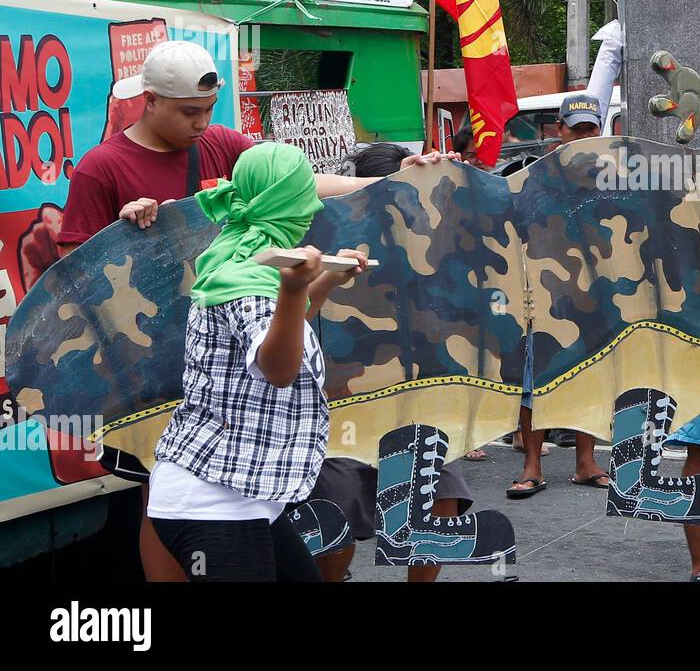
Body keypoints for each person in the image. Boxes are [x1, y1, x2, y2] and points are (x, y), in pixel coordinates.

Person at [54, 39, 454, 582]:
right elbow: (73, 272)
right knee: (160, 473)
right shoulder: (107, 169)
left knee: (182, 463)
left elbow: (291, 182)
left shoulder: (224, 159)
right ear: (150, 101)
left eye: (208, 111)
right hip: (151, 357)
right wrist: (123, 232)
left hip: (230, 402)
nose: (202, 124)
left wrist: (392, 178)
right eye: (188, 112)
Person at [147, 143, 368, 581]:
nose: (313, 210)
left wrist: (322, 282)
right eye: (306, 199)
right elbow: (278, 369)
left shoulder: (238, 257)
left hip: (237, 495)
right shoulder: (249, 277)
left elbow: (279, 333)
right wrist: (292, 289)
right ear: (286, 204)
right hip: (213, 501)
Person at [307, 142, 477, 582]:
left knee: (440, 489)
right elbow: (306, 186)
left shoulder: (429, 233)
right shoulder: (324, 229)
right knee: (333, 505)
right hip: (337, 404)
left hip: (411, 396)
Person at [507, 94, 613, 498]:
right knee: (535, 379)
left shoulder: (617, 175)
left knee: (590, 376)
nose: (584, 136)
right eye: (577, 128)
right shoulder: (535, 175)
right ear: (560, 131)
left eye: (591, 128)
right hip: (544, 291)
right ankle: (532, 466)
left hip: (598, 292)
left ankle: (586, 463)